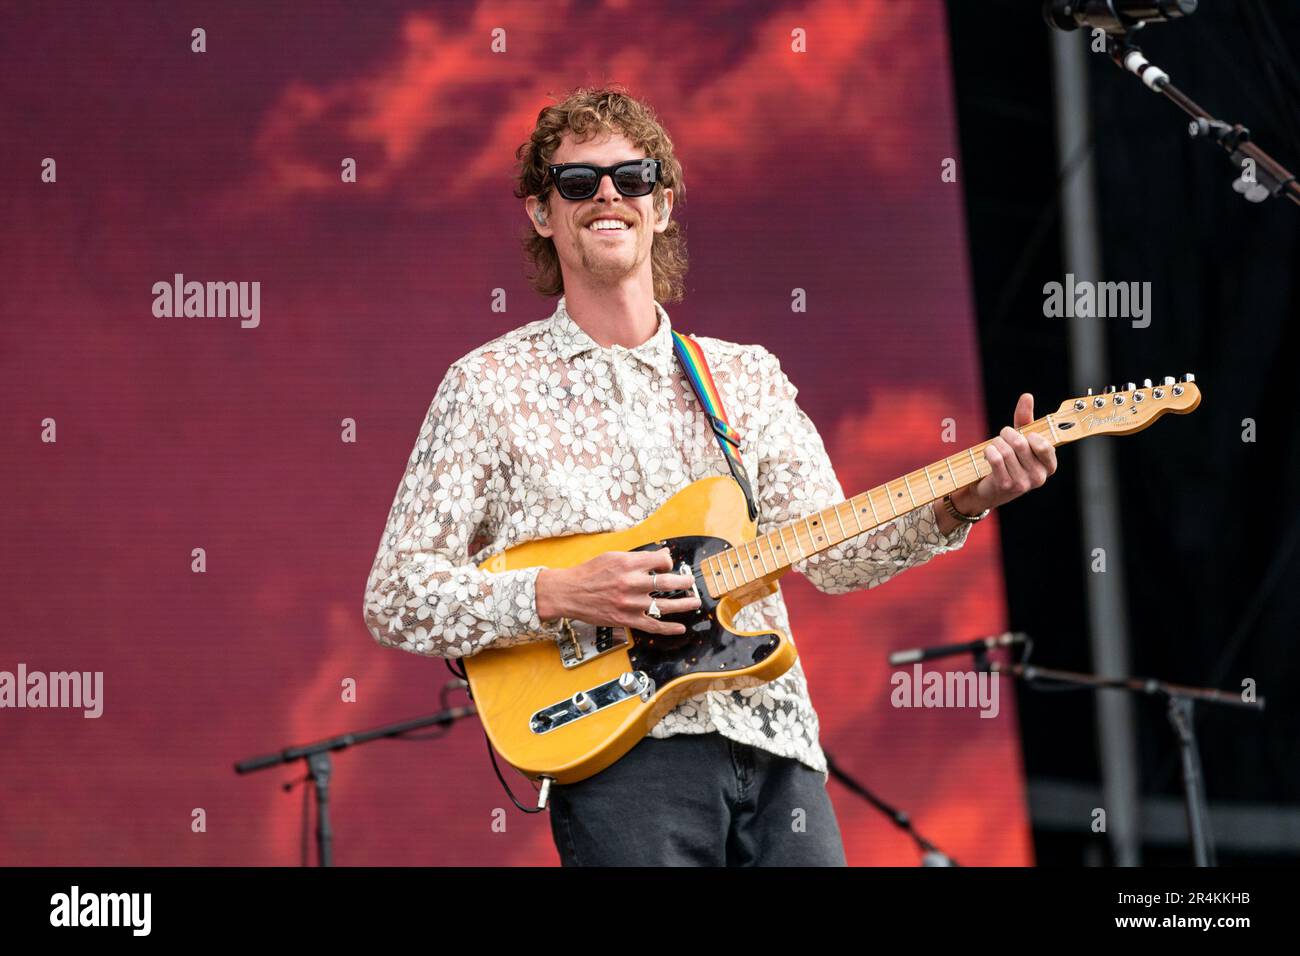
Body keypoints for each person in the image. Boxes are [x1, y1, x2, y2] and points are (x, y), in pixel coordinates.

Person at [362, 85, 1057, 866]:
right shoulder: (488, 385)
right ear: (540, 212)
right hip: (620, 753)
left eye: (632, 178)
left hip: (777, 742)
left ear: (662, 204)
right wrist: (559, 593)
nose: (608, 197)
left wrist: (965, 500)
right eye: (578, 182)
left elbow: (831, 554)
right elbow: (398, 597)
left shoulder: (743, 377)